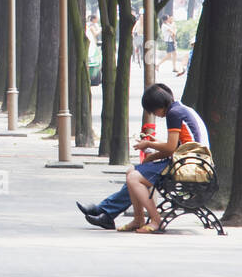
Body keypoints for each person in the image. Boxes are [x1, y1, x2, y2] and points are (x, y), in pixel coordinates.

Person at [76, 83, 209, 233]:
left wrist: (150, 145)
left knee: (134, 177)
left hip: (187, 165)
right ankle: (134, 218)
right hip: (191, 161)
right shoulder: (182, 109)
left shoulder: (173, 114)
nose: (155, 114)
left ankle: (154, 220)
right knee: (132, 171)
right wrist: (152, 152)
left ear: (158, 106)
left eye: (153, 111)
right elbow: (177, 146)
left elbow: (171, 148)